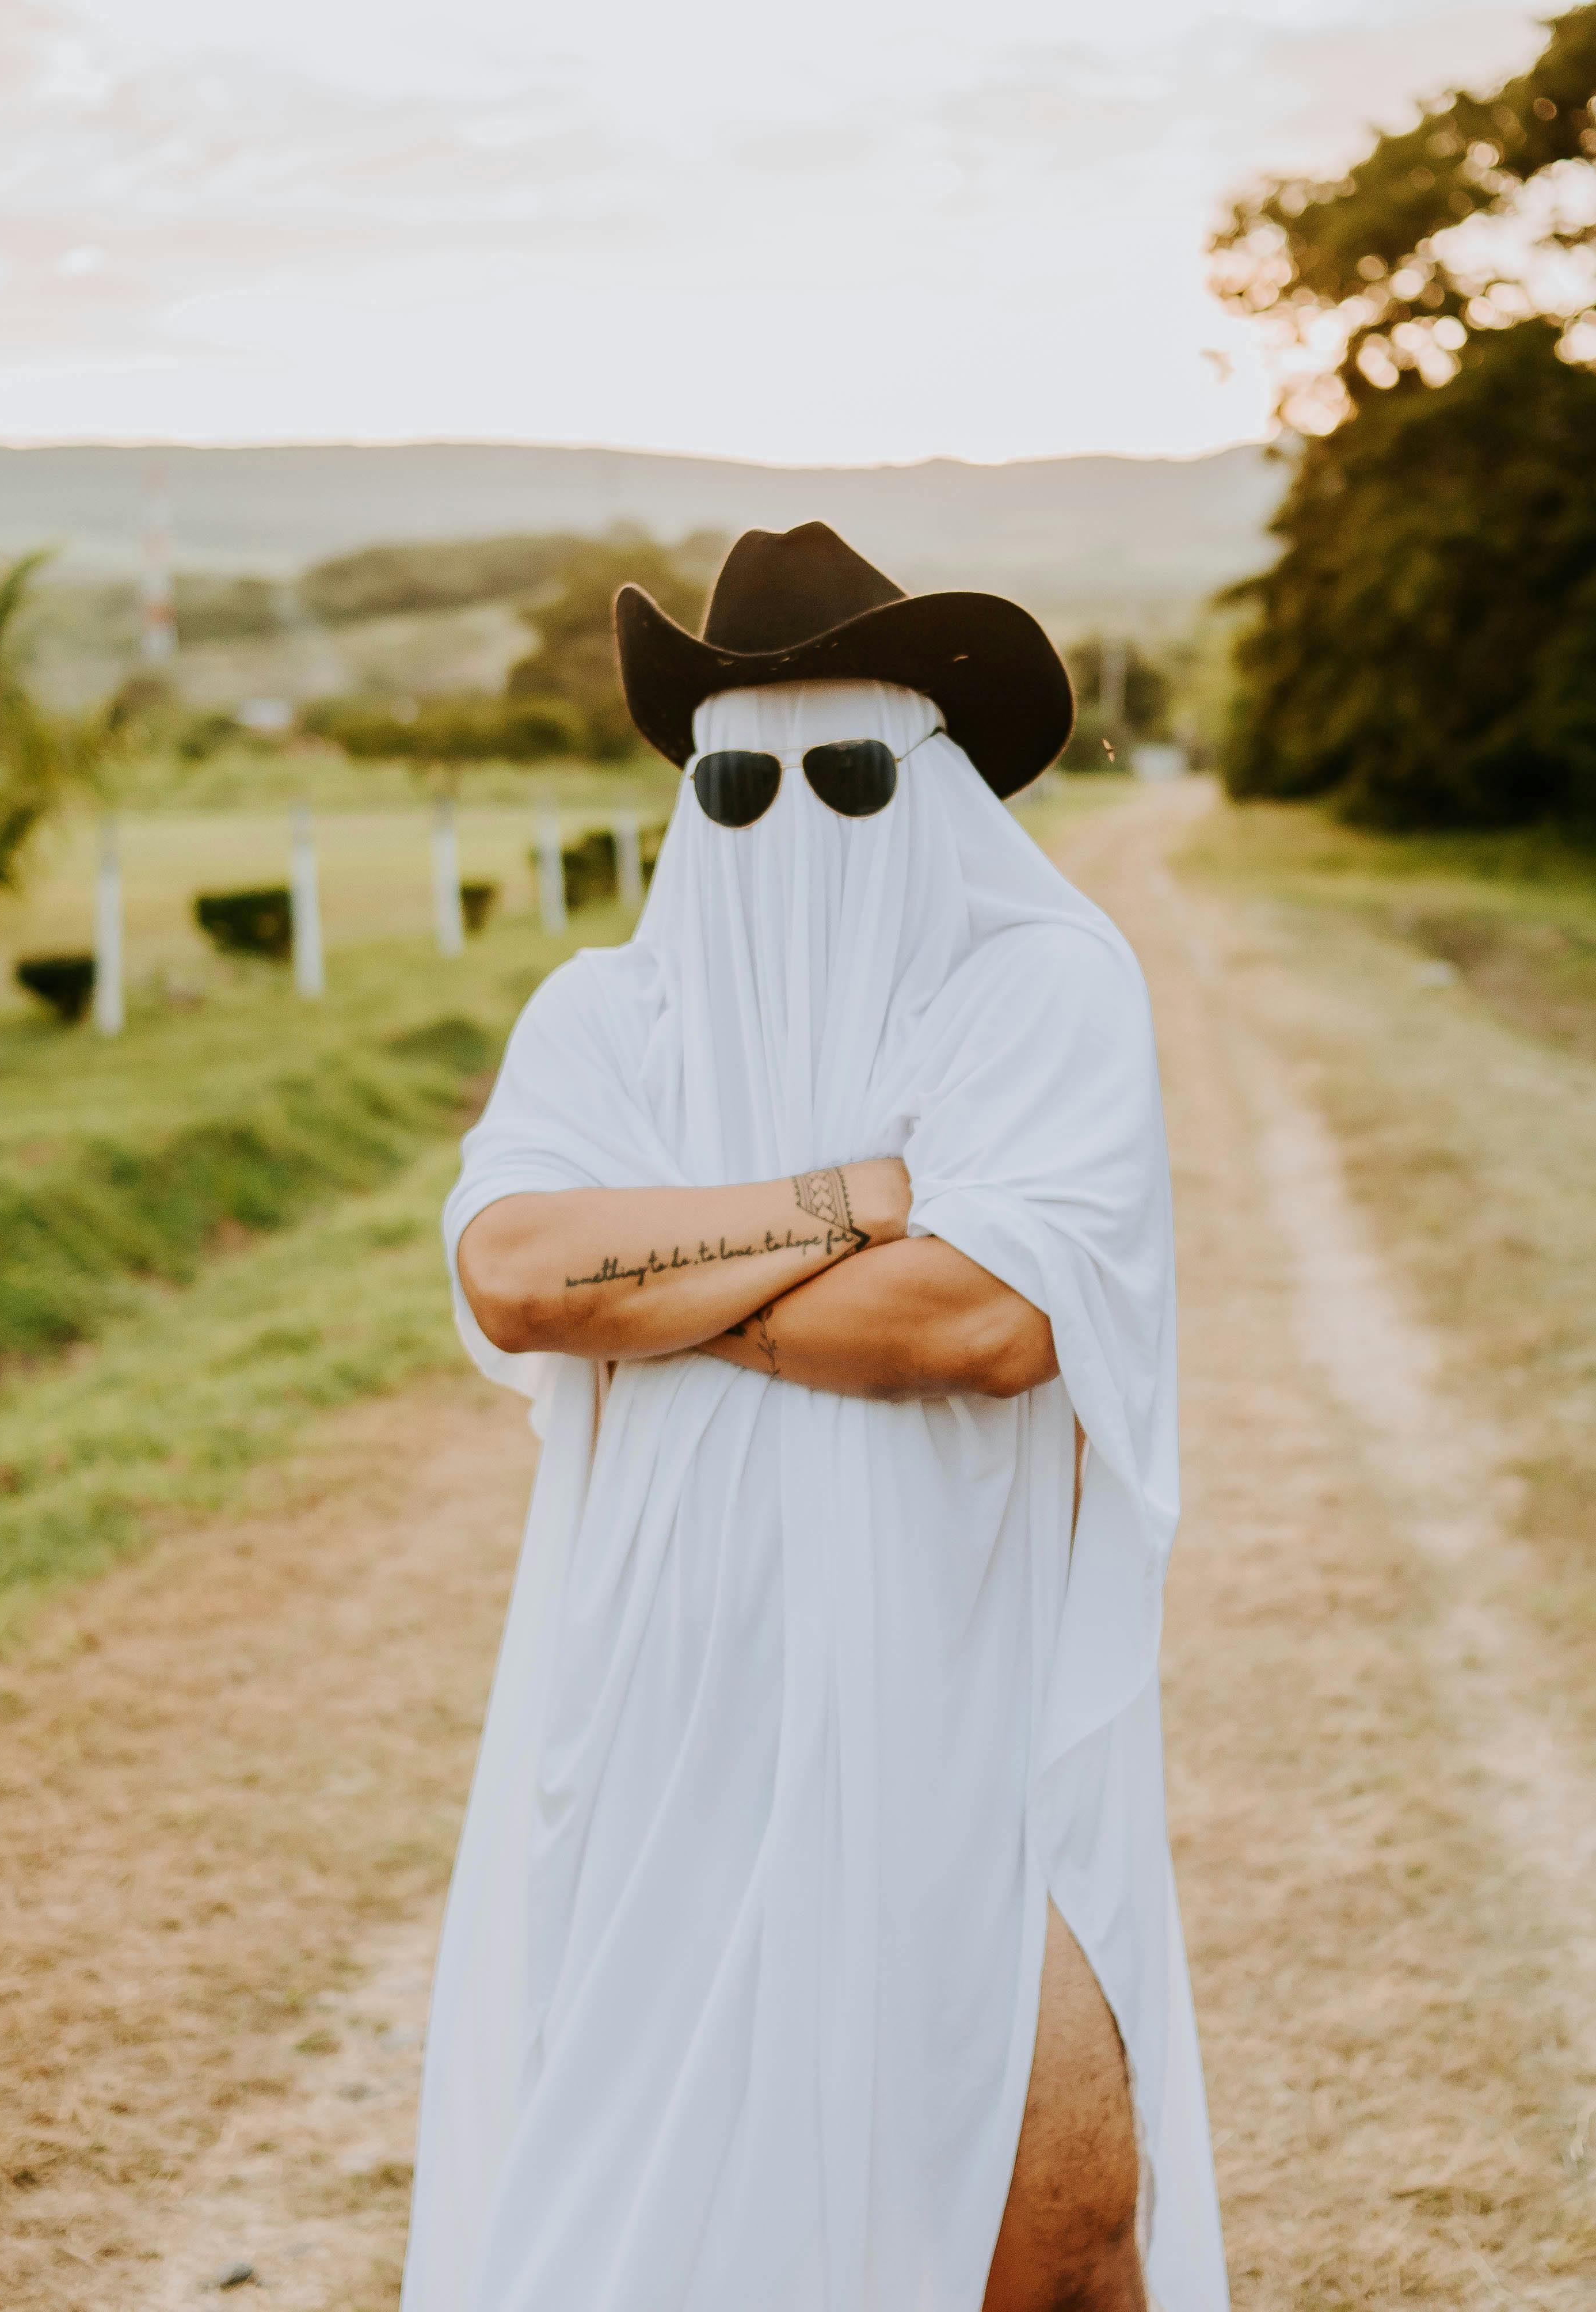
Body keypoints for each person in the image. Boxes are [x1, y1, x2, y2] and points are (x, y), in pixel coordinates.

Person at [402, 523, 1225, 2310]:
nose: (792, 823)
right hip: (664, 1722)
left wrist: (667, 1289)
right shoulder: (605, 1019)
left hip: (976, 1695)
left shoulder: (1043, 991)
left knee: (1059, 2228)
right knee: (687, 2226)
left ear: (929, 789)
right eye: (741, 788)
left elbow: (987, 1316)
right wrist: (861, 1191)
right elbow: (521, 1278)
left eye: (847, 775)